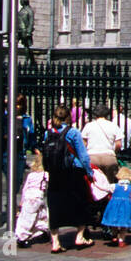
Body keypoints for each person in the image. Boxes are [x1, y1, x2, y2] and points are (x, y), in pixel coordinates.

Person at [42, 105, 94, 252]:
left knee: (54, 205)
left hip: (55, 173)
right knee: (80, 202)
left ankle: (55, 242)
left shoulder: (48, 133)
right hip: (73, 171)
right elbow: (83, 155)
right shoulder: (73, 132)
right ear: (68, 117)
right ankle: (79, 236)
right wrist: (90, 172)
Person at [14, 151, 50, 247]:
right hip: (38, 197)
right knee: (39, 215)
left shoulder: (31, 175)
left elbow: (25, 188)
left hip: (29, 197)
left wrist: (22, 201)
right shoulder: (45, 174)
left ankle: (41, 231)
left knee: (29, 216)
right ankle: (23, 237)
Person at [80, 105, 123, 181]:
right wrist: (114, 152)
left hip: (92, 157)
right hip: (109, 157)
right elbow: (119, 144)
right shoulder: (113, 126)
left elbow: (83, 144)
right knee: (109, 183)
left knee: (93, 183)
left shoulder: (89, 126)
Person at [101, 167, 131, 247]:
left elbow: (104, 188)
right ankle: (121, 240)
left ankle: (114, 235)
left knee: (114, 223)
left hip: (114, 207)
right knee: (124, 225)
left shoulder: (114, 186)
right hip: (126, 208)